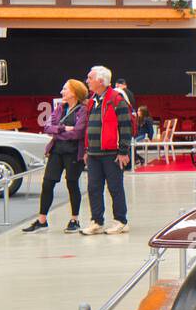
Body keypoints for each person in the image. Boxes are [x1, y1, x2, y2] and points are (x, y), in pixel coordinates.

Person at [23, 79, 88, 233]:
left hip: (73, 152)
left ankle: (74, 219)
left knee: (72, 184)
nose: (61, 92)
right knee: (47, 184)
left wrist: (58, 131)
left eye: (65, 89)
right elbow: (47, 127)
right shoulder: (60, 108)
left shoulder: (83, 110)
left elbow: (78, 132)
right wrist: (64, 129)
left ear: (74, 92)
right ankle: (42, 220)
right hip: (56, 151)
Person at [81, 65, 132, 236]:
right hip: (94, 154)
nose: (87, 81)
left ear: (101, 81)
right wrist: (87, 149)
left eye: (90, 78)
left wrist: (123, 151)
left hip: (111, 154)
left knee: (115, 188)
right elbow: (89, 126)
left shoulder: (117, 99)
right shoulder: (93, 100)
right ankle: (97, 221)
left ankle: (121, 221)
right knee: (93, 188)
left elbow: (126, 127)